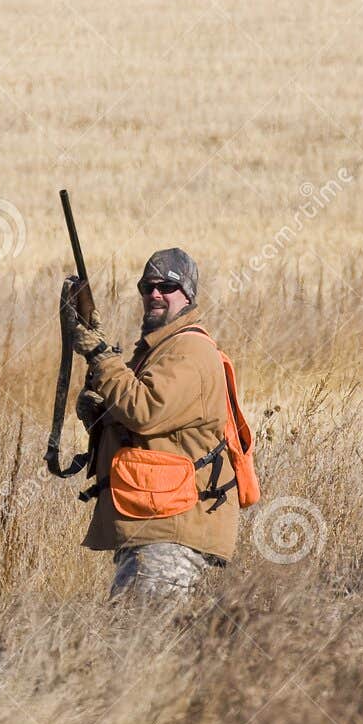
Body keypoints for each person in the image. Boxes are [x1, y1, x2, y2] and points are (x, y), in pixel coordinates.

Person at [63, 248, 238, 603]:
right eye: (147, 286)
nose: (155, 294)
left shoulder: (189, 351)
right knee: (152, 647)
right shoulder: (159, 350)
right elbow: (139, 422)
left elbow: (145, 410)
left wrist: (100, 355)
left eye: (166, 286)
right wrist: (99, 413)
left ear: (187, 294)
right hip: (156, 520)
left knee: (140, 639)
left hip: (171, 525)